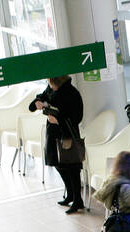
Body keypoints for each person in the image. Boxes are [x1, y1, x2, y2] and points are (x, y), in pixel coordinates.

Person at [30, 75, 85, 213]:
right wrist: (36, 103)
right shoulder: (50, 89)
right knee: (56, 162)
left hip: (67, 134)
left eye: (51, 83)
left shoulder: (71, 93)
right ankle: (71, 193)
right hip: (53, 133)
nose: (50, 86)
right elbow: (38, 100)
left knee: (72, 166)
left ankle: (78, 200)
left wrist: (58, 119)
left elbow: (77, 117)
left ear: (58, 81)